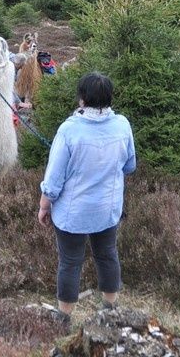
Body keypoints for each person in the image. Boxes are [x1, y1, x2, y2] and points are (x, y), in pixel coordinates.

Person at [37, 72, 136, 327]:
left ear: (82, 99)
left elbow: (54, 177)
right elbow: (129, 165)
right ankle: (111, 308)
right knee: (107, 254)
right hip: (108, 210)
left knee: (70, 262)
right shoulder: (123, 124)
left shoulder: (69, 130)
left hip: (73, 213)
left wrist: (44, 204)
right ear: (109, 98)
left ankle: (64, 318)